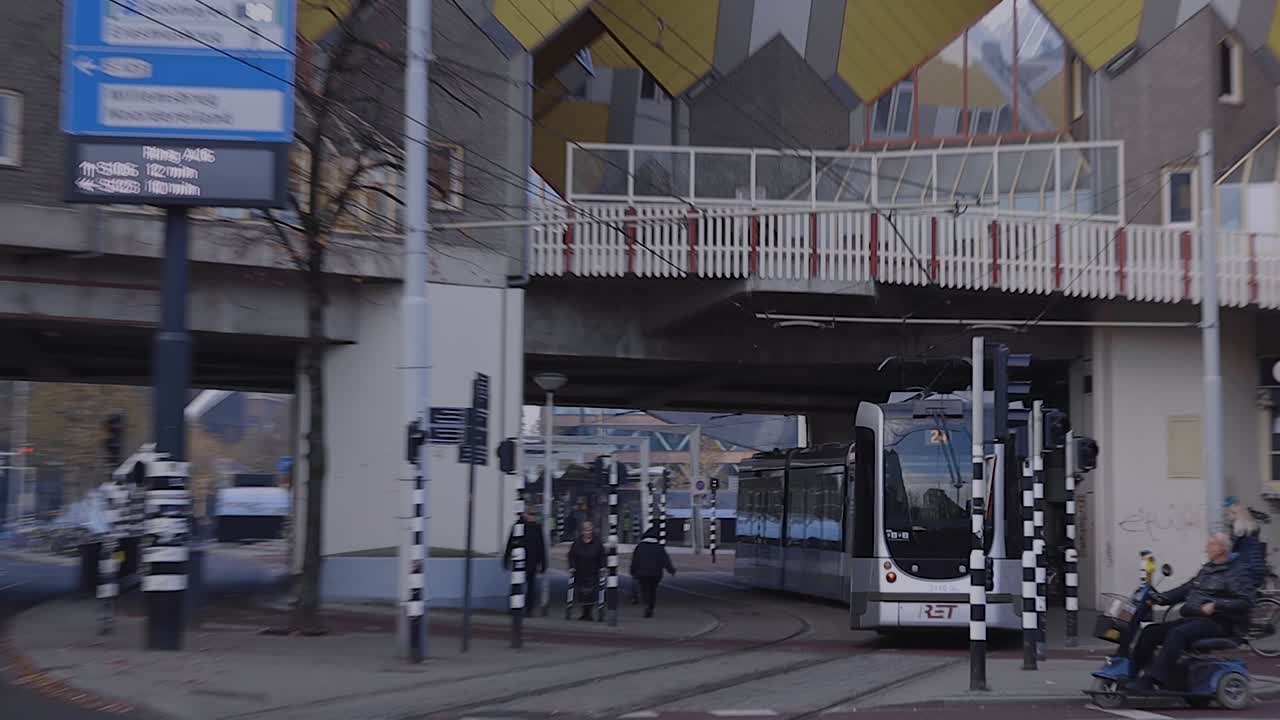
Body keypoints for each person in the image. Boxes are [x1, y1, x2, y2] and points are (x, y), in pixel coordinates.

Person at [1132, 532, 1257, 691]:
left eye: (1210, 545)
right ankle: (1136, 673)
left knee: (1178, 633)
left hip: (1220, 623)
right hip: (1194, 619)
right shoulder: (1208, 569)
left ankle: (1155, 680)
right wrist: (1160, 598)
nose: (1206, 548)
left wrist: (1217, 605)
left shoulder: (1237, 572)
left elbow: (1245, 602)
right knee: (1150, 632)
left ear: (1221, 549)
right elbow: (1186, 589)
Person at [503, 510, 547, 616]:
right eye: (530, 514)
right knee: (517, 585)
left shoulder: (537, 528)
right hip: (519, 561)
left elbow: (541, 546)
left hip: (531, 562)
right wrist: (506, 558)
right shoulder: (518, 526)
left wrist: (543, 564)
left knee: (530, 587)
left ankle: (528, 609)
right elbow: (510, 543)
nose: (531, 517)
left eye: (533, 514)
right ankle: (515, 607)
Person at [630, 526, 676, 618]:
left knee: (644, 589)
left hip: (642, 573)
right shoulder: (659, 547)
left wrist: (633, 571)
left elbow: (635, 560)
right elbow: (665, 560)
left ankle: (646, 604)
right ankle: (650, 607)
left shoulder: (640, 546)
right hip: (656, 574)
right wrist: (671, 570)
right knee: (652, 590)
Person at [568, 521, 605, 620]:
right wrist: (572, 566)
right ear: (582, 531)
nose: (587, 532)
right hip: (580, 571)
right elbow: (571, 555)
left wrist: (602, 567)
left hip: (593, 571)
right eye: (585, 530)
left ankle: (588, 613)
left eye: (589, 530)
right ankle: (584, 612)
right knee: (582, 593)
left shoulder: (597, 542)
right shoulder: (577, 542)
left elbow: (602, 556)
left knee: (591, 593)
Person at [1226, 499, 1267, 589]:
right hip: (1258, 567)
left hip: (1246, 570)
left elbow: (1230, 549)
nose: (1228, 517)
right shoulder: (1253, 527)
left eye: (1229, 514)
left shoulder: (1238, 530)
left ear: (1235, 514)